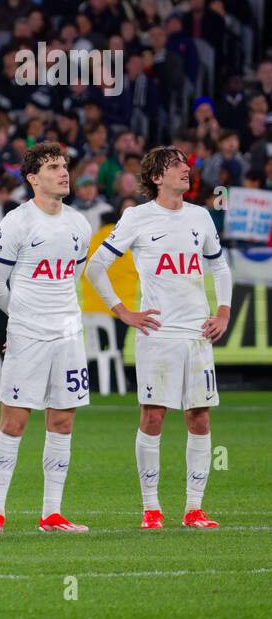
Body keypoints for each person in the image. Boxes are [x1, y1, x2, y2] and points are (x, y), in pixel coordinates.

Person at [85, 146, 229, 529]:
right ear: (156, 177)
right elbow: (96, 266)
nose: (186, 169)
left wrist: (224, 312)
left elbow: (220, 266)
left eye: (185, 164)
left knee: (199, 418)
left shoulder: (201, 216)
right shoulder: (137, 217)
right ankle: (151, 509)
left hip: (197, 334)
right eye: (176, 165)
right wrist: (123, 311)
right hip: (158, 334)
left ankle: (194, 509)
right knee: (153, 415)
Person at [0, 141, 93, 534]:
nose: (63, 172)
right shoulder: (16, 223)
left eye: (64, 165)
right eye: (52, 167)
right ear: (33, 178)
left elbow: (73, 277)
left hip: (68, 334)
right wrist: (24, 321)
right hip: (28, 334)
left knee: (62, 420)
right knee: (14, 422)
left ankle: (52, 514)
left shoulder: (80, 224)